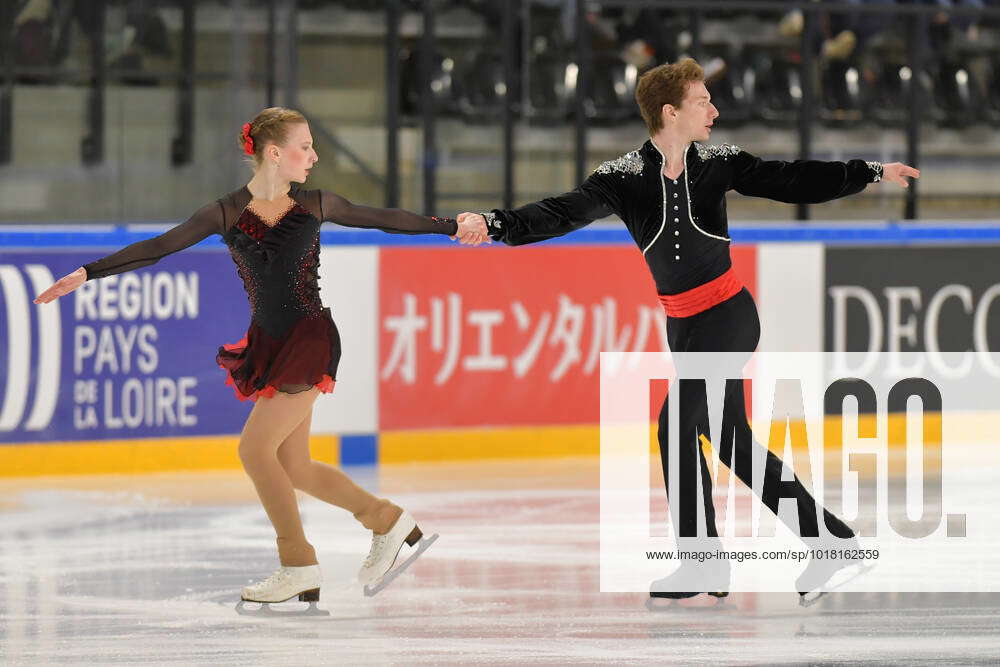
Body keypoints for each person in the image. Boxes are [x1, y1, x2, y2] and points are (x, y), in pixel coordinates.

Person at [456, 58, 919, 602]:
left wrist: (867, 171)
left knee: (676, 426)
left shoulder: (719, 164)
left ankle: (704, 563)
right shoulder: (623, 177)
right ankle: (829, 542)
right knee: (728, 439)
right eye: (703, 102)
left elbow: (791, 178)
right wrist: (495, 223)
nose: (715, 111)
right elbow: (562, 212)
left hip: (728, 316)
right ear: (670, 112)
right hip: (684, 327)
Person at [33, 107, 481, 608]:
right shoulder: (224, 213)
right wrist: (87, 274)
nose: (314, 156)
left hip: (309, 340)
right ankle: (387, 520)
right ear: (274, 153)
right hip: (269, 344)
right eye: (304, 147)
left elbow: (385, 219)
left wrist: (449, 226)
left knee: (254, 451)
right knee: (296, 465)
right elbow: (160, 247)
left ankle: (297, 562)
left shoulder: (315, 204)